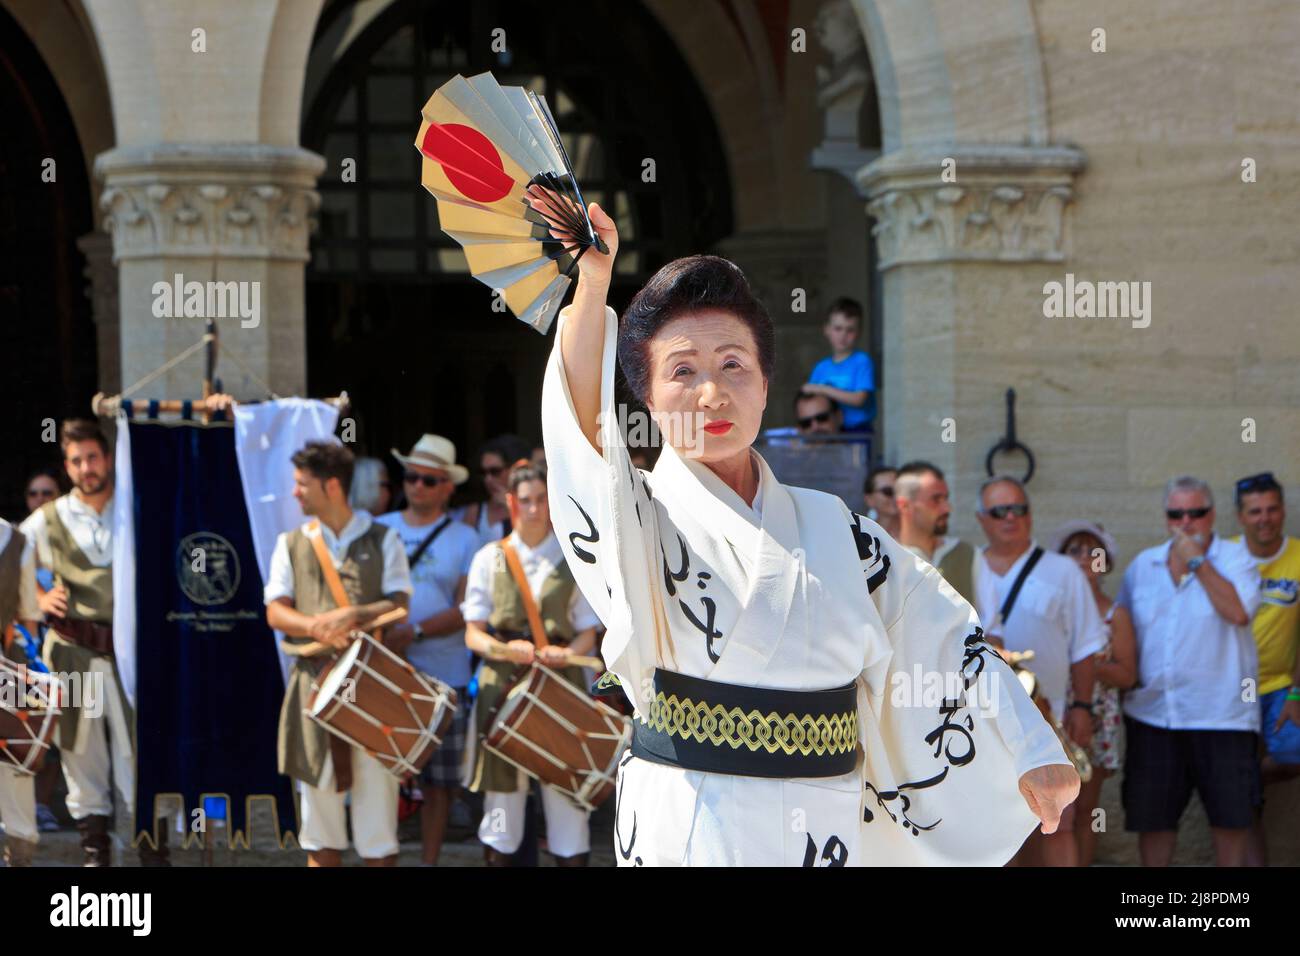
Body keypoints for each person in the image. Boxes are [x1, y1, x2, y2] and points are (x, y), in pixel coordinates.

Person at [533, 187, 1075, 866]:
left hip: (825, 824)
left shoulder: (838, 529)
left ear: (766, 384)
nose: (712, 391)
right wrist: (593, 283)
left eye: (734, 364)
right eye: (682, 371)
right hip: (689, 819)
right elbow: (581, 440)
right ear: (644, 397)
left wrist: (1027, 747)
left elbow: (942, 636)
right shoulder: (636, 516)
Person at [19, 419, 169, 866]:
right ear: (67, 467)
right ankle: (95, 862)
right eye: (77, 460)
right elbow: (9, 562)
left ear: (107, 458)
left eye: (93, 457)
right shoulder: (50, 519)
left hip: (129, 657)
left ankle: (154, 861)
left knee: (140, 761)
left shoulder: (135, 508)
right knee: (82, 760)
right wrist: (40, 596)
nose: (86, 468)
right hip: (75, 654)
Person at [264, 441, 412, 867]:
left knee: (378, 836)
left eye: (301, 484)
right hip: (315, 691)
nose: (295, 493)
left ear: (331, 486)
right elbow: (275, 611)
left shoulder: (384, 538)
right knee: (320, 835)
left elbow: (401, 604)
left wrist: (353, 614)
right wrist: (315, 627)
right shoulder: (290, 543)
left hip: (373, 694)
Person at [1115, 475, 1261, 867]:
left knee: (1231, 820)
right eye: (1175, 514)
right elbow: (1121, 627)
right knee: (1153, 821)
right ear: (1165, 518)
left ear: (1212, 515)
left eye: (1195, 512)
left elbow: (1238, 612)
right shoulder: (1143, 566)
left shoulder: (1237, 560)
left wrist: (1197, 561)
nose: (1185, 522)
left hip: (1222, 715)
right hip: (1153, 717)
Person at [462, 460, 601, 866]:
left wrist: (565, 649)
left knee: (567, 806)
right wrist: (505, 650)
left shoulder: (574, 556)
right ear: (510, 503)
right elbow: (473, 632)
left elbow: (588, 633)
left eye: (542, 499)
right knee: (501, 813)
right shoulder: (492, 558)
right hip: (502, 689)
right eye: (526, 501)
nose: (535, 509)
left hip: (561, 688)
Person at [973, 475, 1106, 867]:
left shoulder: (1063, 570)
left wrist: (1082, 706)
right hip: (982, 721)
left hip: (1051, 714)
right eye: (999, 510)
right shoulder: (968, 567)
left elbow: (1085, 647)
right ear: (981, 518)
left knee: (1059, 820)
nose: (1010, 517)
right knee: (997, 822)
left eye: (1019, 508)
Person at [374, 434, 479, 866]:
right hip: (388, 675)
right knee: (385, 778)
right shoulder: (380, 531)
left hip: (444, 675)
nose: (418, 486)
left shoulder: (466, 538)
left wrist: (413, 632)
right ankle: (385, 856)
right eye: (412, 478)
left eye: (429, 481)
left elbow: (466, 606)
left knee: (438, 784)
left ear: (447, 487)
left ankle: (429, 863)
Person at [1047, 520, 1136, 867]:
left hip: (1097, 718)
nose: (1084, 557)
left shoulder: (1116, 615)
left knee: (1085, 807)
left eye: (1093, 551)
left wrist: (1083, 662)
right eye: (1074, 550)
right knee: (1050, 807)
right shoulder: (1051, 610)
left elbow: (1128, 674)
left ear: (1106, 562)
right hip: (1052, 712)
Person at [1231, 472, 1300, 866]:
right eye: (1255, 511)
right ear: (1241, 516)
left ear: (1283, 511)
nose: (1265, 518)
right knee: (1245, 806)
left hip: (1281, 686)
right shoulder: (1224, 556)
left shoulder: (1298, 556)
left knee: (1292, 752)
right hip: (1231, 688)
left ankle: (1248, 781)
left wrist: (1297, 692)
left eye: (1272, 509)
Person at [0, 515, 42, 865]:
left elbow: (29, 615)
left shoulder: (15, 541)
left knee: (13, 766)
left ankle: (19, 859)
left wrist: (26, 679)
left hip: (5, 669)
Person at [893, 461, 973, 602]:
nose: (947, 508)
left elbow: (990, 622)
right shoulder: (885, 559)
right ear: (904, 506)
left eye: (946, 498)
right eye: (936, 500)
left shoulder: (969, 556)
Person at [802, 297, 874, 433]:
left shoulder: (862, 361)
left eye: (850, 330)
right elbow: (812, 401)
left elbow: (859, 400)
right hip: (828, 430)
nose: (843, 335)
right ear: (827, 330)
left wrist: (822, 389)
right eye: (838, 328)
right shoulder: (821, 367)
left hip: (858, 430)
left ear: (859, 332)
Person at [458, 434, 531, 549]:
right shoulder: (475, 512)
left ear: (514, 469)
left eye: (495, 471)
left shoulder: (532, 506)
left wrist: (511, 506)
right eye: (483, 472)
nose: (488, 479)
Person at [862, 465, 899, 540]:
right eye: (888, 491)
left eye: (899, 490)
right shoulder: (863, 537)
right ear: (869, 499)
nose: (896, 497)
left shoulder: (920, 532)